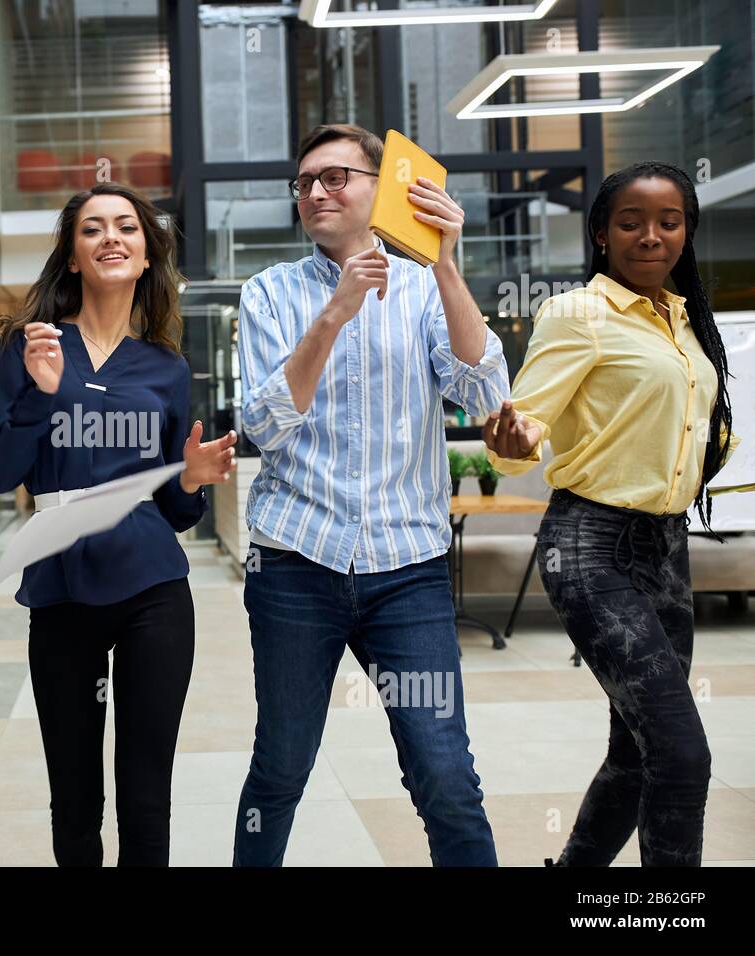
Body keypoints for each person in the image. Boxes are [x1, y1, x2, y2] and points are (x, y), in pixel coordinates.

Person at [234, 123, 507, 867]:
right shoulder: (268, 293)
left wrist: (448, 266)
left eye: (336, 176)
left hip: (407, 571)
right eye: (305, 183)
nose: (317, 192)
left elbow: (484, 393)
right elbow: (264, 426)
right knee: (280, 770)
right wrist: (333, 315)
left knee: (446, 776)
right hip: (294, 566)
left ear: (378, 186)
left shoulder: (423, 286)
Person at [484, 162, 736, 867]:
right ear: (600, 234)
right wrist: (512, 439)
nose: (650, 236)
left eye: (668, 221)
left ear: (687, 230)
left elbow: (695, 430)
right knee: (682, 752)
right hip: (591, 547)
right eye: (630, 222)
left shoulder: (685, 320)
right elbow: (526, 421)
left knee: (636, 753)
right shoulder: (578, 314)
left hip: (667, 547)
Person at [0, 182, 236, 866]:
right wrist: (38, 391)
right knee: (74, 799)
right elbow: (1, 472)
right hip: (60, 588)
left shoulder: (166, 367)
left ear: (148, 255)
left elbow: (177, 511)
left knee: (146, 797)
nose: (111, 237)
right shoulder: (27, 346)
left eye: (126, 226)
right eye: (93, 229)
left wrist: (190, 480)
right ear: (71, 256)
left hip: (153, 590)